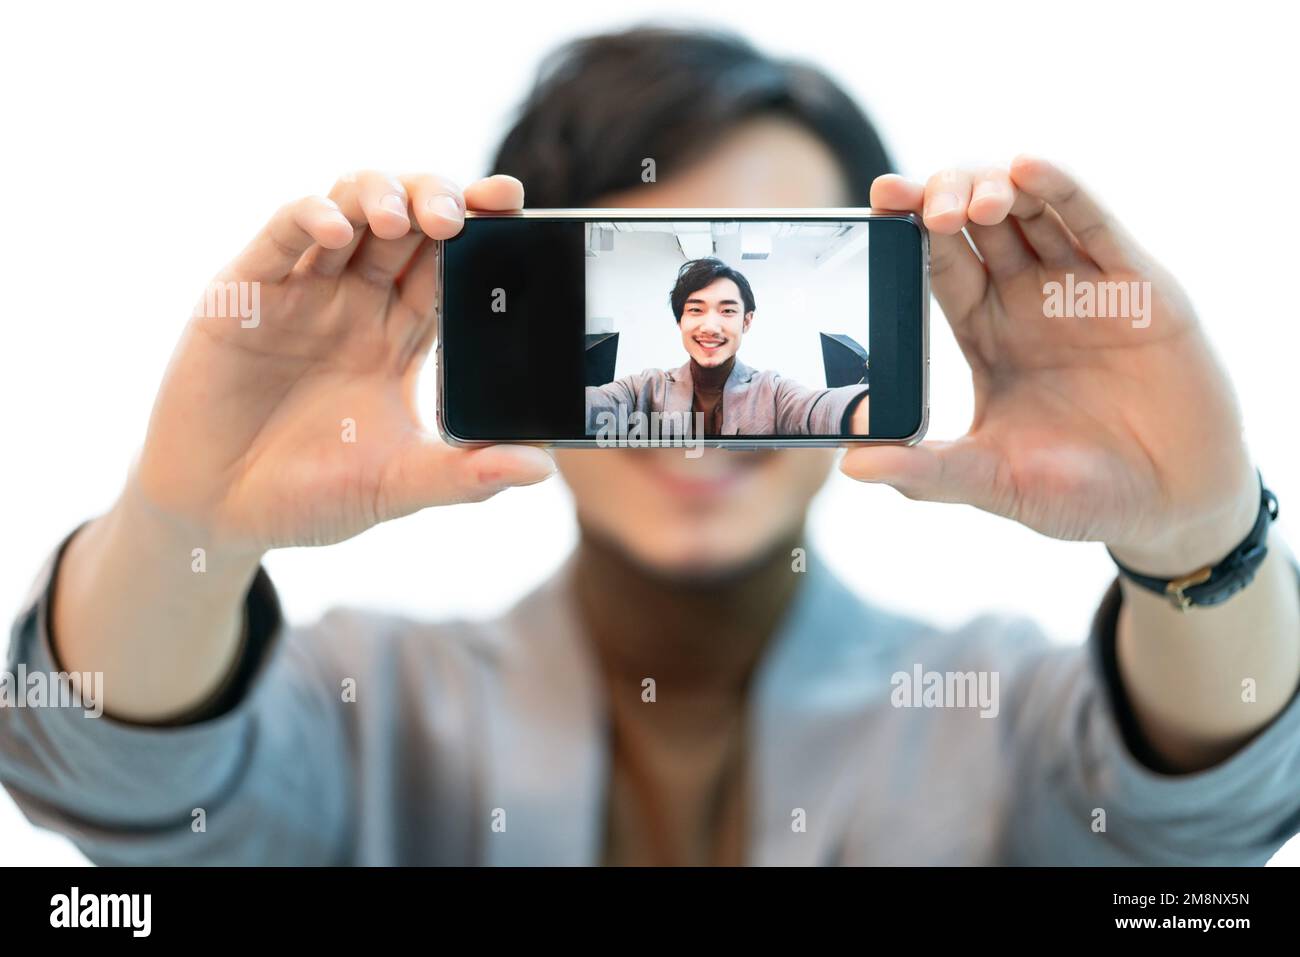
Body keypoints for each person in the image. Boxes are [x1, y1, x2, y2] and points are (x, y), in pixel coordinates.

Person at [2, 27, 1298, 866]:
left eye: (754, 283)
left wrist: (1200, 543)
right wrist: (184, 530)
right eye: (661, 284)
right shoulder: (371, 707)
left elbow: (1212, 814)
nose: (705, 408)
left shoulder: (999, 709)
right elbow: (103, 774)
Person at [585, 257, 871, 437]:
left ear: (746, 321)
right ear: (680, 321)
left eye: (727, 311)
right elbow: (593, 405)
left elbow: (816, 409)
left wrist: (872, 412)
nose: (710, 326)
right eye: (695, 310)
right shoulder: (643, 387)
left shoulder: (772, 391)